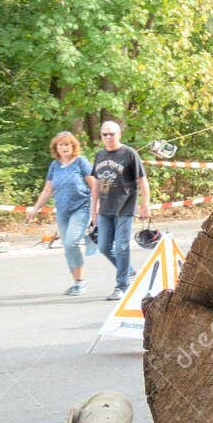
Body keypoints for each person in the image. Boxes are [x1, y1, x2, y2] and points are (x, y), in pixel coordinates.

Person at [25, 132, 95, 296]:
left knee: (71, 242)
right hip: (62, 211)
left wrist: (96, 207)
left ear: (73, 146)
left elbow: (94, 184)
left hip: (82, 208)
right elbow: (48, 190)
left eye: (67, 144)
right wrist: (34, 209)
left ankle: (81, 280)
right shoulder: (54, 166)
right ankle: (78, 282)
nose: (64, 147)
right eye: (60, 144)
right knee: (68, 247)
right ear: (56, 147)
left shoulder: (80, 162)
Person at [89, 121, 150, 300]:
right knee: (104, 246)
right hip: (105, 209)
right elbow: (96, 185)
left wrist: (145, 203)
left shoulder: (129, 154)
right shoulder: (99, 155)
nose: (108, 137)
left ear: (119, 135)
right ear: (101, 136)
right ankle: (130, 271)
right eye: (104, 134)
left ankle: (121, 286)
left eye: (112, 134)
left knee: (122, 246)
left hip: (125, 207)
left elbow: (142, 181)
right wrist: (93, 209)